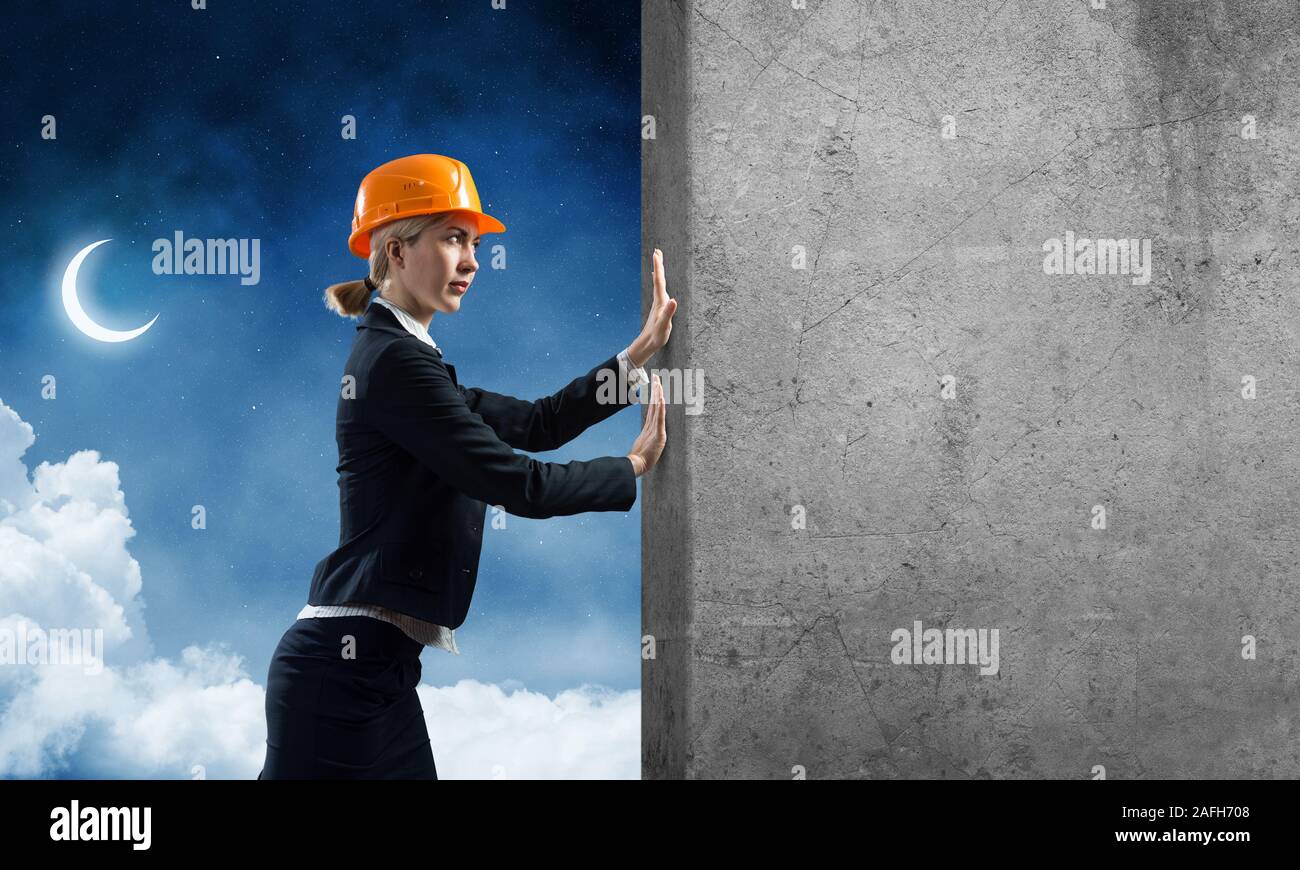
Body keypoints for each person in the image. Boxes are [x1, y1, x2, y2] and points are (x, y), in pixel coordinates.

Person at [257, 153, 674, 779]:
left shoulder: (411, 362)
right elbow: (516, 483)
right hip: (338, 679)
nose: (474, 261)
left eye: (474, 243)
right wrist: (632, 466)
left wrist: (635, 356)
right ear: (396, 251)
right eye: (455, 238)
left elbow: (538, 422)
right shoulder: (395, 366)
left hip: (376, 674)